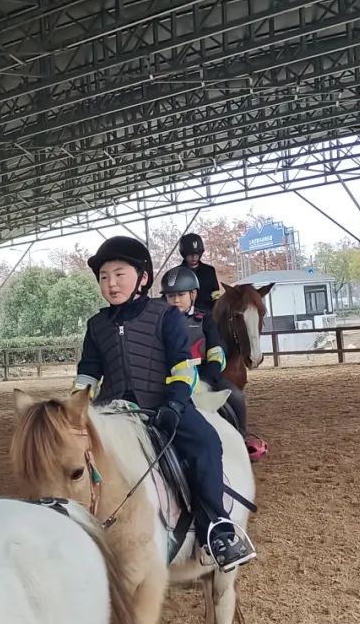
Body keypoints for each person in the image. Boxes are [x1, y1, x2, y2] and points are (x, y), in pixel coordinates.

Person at [73, 235, 255, 574]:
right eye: (104, 277)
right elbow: (87, 374)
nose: (110, 284)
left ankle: (217, 528)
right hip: (112, 412)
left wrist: (173, 404)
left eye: (119, 274)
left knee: (206, 442)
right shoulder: (96, 325)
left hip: (163, 407)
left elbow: (182, 367)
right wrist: (75, 409)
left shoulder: (165, 317)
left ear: (142, 278)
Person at [159, 264, 247, 437]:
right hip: (172, 377)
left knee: (236, 397)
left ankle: (242, 435)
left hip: (204, 373)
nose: (176, 300)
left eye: (181, 295)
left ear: (193, 294)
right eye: (171, 296)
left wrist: (213, 369)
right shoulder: (159, 321)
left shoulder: (205, 319)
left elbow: (215, 348)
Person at [178, 233, 222, 314]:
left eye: (197, 254)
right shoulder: (177, 273)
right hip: (183, 315)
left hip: (207, 314)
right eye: (190, 254)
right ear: (184, 253)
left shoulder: (209, 271)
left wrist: (217, 305)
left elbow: (215, 292)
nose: (194, 257)